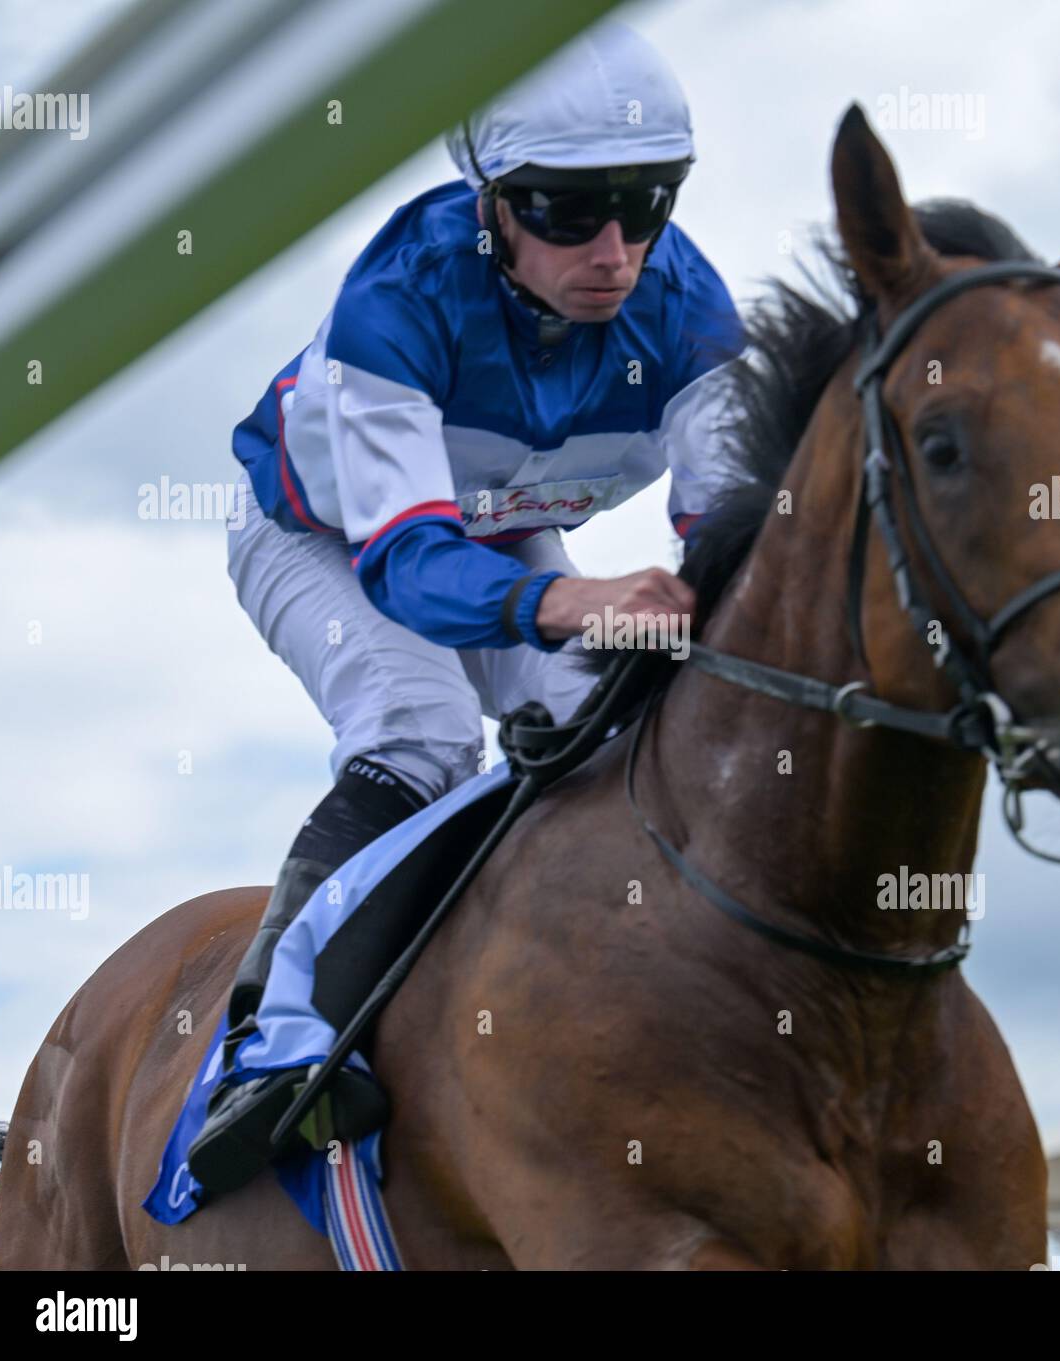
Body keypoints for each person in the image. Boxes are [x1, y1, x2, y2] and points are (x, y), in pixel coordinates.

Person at [187, 21, 743, 1192]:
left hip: (495, 528)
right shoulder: (394, 298)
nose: (613, 252)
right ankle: (268, 1041)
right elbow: (409, 570)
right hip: (326, 538)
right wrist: (575, 595)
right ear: (490, 201)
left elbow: (740, 528)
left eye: (647, 204)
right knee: (422, 730)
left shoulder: (690, 307)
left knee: (624, 727)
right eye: (563, 211)